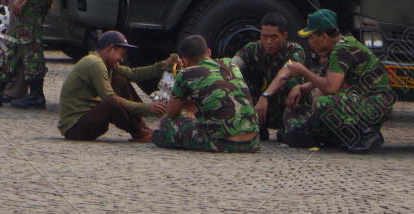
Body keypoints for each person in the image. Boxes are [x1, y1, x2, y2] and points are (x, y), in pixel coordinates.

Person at [269, 8, 391, 153]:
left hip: (375, 104)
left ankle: (365, 134)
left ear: (324, 37)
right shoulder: (337, 49)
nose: (309, 42)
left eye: (311, 37)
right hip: (363, 101)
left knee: (324, 103)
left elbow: (331, 87)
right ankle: (327, 134)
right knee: (310, 102)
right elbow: (322, 80)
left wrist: (303, 71)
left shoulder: (342, 50)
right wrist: (301, 88)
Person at [150, 34, 261, 153]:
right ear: (209, 52)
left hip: (224, 143)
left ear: (185, 60)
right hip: (253, 142)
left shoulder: (187, 73)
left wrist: (183, 102)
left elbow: (171, 113)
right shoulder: (230, 64)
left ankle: (168, 138)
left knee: (166, 122)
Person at [57, 32, 175, 141]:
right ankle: (139, 132)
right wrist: (147, 108)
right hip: (75, 128)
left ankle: (141, 129)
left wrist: (164, 65)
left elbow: (133, 74)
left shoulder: (105, 63)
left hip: (86, 121)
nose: (122, 59)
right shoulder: (95, 63)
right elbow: (110, 98)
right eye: (121, 54)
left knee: (121, 81)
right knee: (111, 102)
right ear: (110, 49)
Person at [231, 13, 306, 141]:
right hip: (263, 108)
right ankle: (255, 124)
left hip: (288, 105)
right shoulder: (253, 49)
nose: (268, 42)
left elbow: (283, 75)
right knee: (240, 79)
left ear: (284, 36)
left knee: (290, 84)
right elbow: (232, 66)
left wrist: (265, 96)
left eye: (273, 37)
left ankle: (289, 127)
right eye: (264, 37)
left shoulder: (294, 51)